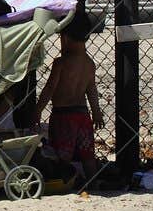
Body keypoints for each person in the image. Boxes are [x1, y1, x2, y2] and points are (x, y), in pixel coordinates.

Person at [35, 14, 103, 177]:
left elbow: (50, 88)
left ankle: (64, 179)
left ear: (64, 38)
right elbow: (91, 89)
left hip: (63, 117)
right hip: (83, 115)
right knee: (88, 155)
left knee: (62, 154)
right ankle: (92, 180)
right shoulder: (89, 63)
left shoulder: (61, 63)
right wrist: (96, 111)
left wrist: (38, 110)